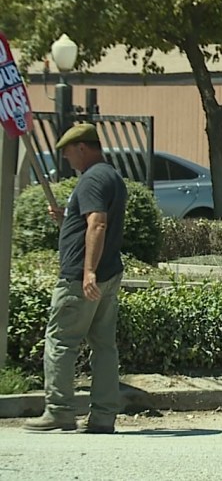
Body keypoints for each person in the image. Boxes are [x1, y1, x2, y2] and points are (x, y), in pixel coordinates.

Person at [24, 123, 127, 434]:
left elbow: (97, 224)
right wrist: (66, 218)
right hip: (109, 273)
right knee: (104, 346)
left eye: (68, 152)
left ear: (83, 147)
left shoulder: (92, 179)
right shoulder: (111, 176)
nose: (67, 158)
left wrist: (88, 271)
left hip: (82, 277)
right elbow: (87, 222)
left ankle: (59, 411)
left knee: (60, 341)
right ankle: (104, 416)